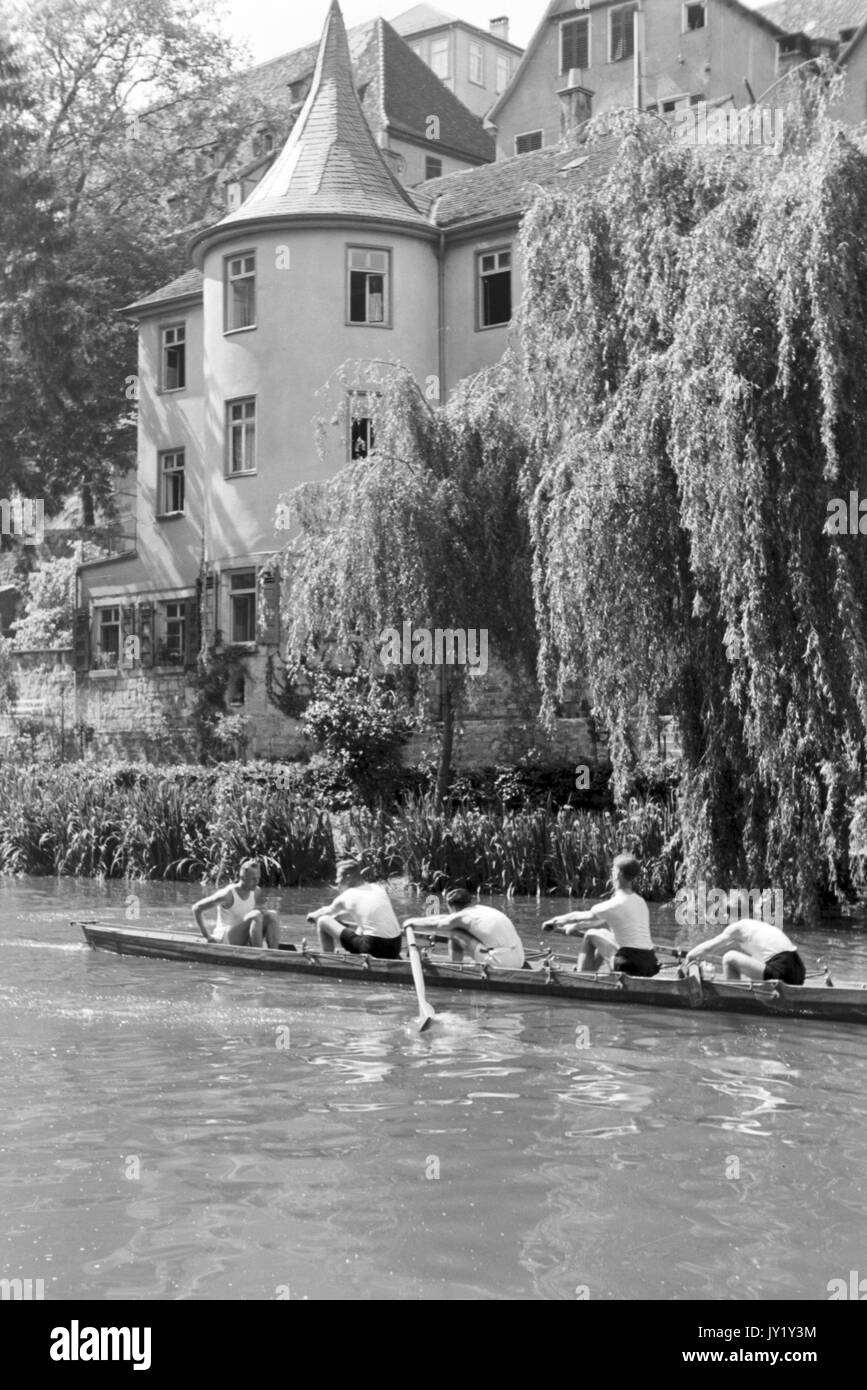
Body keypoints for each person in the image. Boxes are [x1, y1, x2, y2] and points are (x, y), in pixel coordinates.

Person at [542, 853, 659, 976]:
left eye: (613, 870)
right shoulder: (641, 902)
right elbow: (597, 921)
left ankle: (582, 978)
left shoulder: (614, 904)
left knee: (590, 935)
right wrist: (574, 927)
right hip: (651, 965)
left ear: (617, 875)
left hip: (629, 965)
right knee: (603, 933)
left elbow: (577, 916)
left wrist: (553, 921)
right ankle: (592, 972)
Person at [403, 888, 525, 969]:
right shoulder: (481, 910)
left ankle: (456, 968)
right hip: (519, 959)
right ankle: (475, 960)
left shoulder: (462, 917)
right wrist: (415, 921)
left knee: (455, 933)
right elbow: (445, 918)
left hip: (502, 963)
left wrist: (411, 923)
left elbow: (438, 925)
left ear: (452, 907)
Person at [307, 859, 403, 959]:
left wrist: (312, 915)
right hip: (395, 946)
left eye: (338, 877)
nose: (337, 881)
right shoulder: (377, 888)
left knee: (322, 921)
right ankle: (355, 954)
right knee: (364, 925)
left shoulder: (347, 895)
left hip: (374, 948)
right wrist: (338, 917)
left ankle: (328, 959)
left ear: (348, 877)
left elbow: (324, 913)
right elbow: (357, 912)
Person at [682, 918, 806, 984]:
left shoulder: (737, 927)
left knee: (729, 958)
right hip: (799, 972)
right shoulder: (756, 927)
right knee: (751, 962)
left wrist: (690, 956)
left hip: (782, 969)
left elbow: (709, 947)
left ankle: (734, 998)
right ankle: (748, 995)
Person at [193, 858, 280, 948]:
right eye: (253, 879)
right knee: (255, 915)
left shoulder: (256, 891)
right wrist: (207, 936)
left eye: (258, 878)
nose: (257, 882)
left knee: (272, 915)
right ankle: (258, 956)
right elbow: (196, 908)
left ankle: (274, 954)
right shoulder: (227, 894)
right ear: (243, 877)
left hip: (242, 936)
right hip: (224, 938)